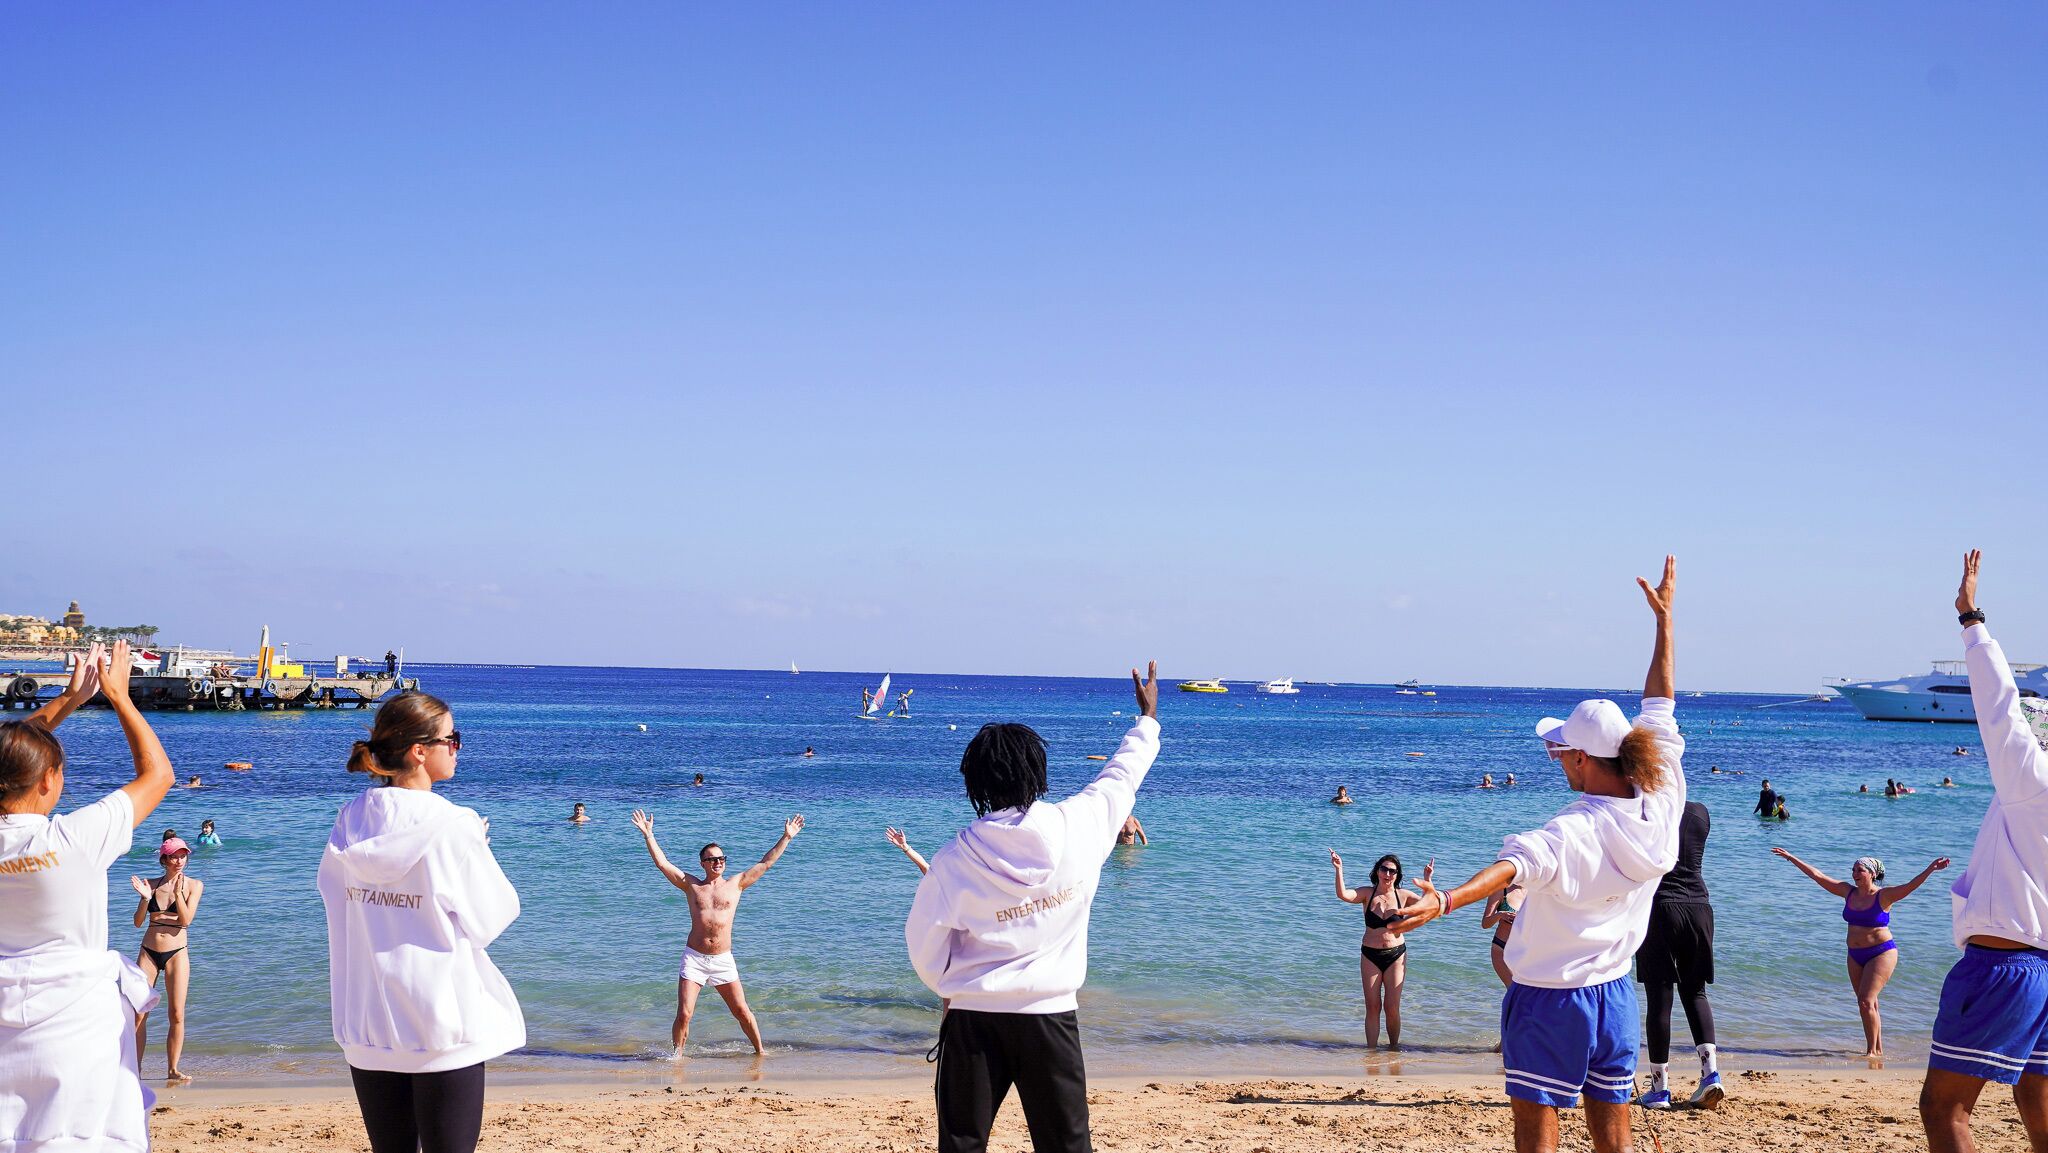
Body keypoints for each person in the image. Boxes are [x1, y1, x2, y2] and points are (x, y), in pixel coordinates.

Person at [1392, 557, 1684, 1153]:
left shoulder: (1572, 829)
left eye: (1560, 754)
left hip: (1550, 997)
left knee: (1538, 1139)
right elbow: (1661, 702)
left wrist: (1445, 900)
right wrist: (1665, 623)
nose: (1558, 762)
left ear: (1580, 759)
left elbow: (1514, 867)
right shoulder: (1662, 790)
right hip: (1616, 993)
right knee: (1614, 1134)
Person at [907, 661, 1160, 1153]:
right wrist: (1147, 718)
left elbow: (923, 948)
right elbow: (1123, 774)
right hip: (1052, 1015)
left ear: (974, 784)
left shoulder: (954, 860)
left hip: (974, 1016)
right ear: (1037, 774)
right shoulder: (1080, 825)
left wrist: (956, 984)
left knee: (962, 1142)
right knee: (1066, 1144)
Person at [319, 692, 523, 1153]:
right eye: (452, 739)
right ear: (419, 750)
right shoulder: (453, 825)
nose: (457, 748)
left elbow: (334, 897)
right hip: (441, 1025)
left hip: (369, 1021)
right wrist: (476, 849)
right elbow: (493, 917)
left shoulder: (351, 818)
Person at [1, 643, 174, 1152]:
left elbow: (9, 756)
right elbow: (157, 775)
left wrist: (68, 701)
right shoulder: (72, 839)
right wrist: (119, 698)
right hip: (75, 1024)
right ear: (50, 781)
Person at [1921, 551, 2048, 1152]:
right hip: (2046, 967)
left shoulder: (2032, 783)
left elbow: (1998, 705)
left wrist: (1972, 617)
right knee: (2036, 1099)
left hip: (2004, 964)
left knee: (1944, 1107)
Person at [629, 809, 804, 1056]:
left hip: (723, 959)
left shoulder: (737, 884)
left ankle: (760, 1053)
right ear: (703, 864)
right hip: (695, 958)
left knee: (742, 1011)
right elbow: (662, 863)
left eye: (721, 858)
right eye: (712, 859)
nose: (718, 862)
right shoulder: (691, 885)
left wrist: (786, 837)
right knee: (684, 1013)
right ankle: (677, 1057)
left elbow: (766, 863)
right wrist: (648, 835)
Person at [1771, 848, 1948, 1057]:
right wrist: (1792, 858)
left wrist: (1930, 869)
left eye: (1860, 870)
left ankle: (1871, 1052)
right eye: (1853, 870)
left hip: (1881, 953)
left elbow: (1910, 886)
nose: (1854, 874)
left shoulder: (1884, 895)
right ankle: (1877, 1049)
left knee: (1866, 1000)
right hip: (1854, 955)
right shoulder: (1848, 892)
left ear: (1872, 873)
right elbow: (1818, 876)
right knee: (1867, 1003)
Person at [1633, 800, 1722, 1109]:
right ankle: (1710, 1075)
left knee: (1659, 998)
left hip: (1661, 907)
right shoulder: (1700, 811)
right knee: (1696, 992)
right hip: (1699, 906)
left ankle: (1659, 1089)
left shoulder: (1645, 812)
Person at [1330, 850, 1429, 1048]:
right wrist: (1339, 869)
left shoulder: (1403, 895)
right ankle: (1371, 1052)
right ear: (1377, 872)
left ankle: (1394, 1048)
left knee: (1392, 1007)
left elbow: (1428, 906)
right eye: (1384, 869)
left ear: (1397, 875)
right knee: (1372, 1006)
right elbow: (1344, 895)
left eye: (1392, 871)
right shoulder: (1368, 893)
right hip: (1370, 954)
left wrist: (1427, 881)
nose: (1388, 874)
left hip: (1396, 955)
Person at [131, 835, 203, 1083]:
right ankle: (134, 1070)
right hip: (149, 950)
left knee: (176, 1013)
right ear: (164, 859)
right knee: (139, 1013)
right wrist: (145, 898)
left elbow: (185, 920)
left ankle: (172, 1069)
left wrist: (178, 893)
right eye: (174, 856)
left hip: (177, 952)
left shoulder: (194, 885)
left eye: (183, 855)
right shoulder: (149, 884)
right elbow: (138, 922)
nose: (179, 860)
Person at [1482, 884, 1524, 988]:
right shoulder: (1501, 891)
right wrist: (1500, 915)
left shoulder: (1533, 892)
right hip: (1501, 950)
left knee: (1528, 993)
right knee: (1514, 990)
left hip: (1525, 952)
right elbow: (1485, 923)